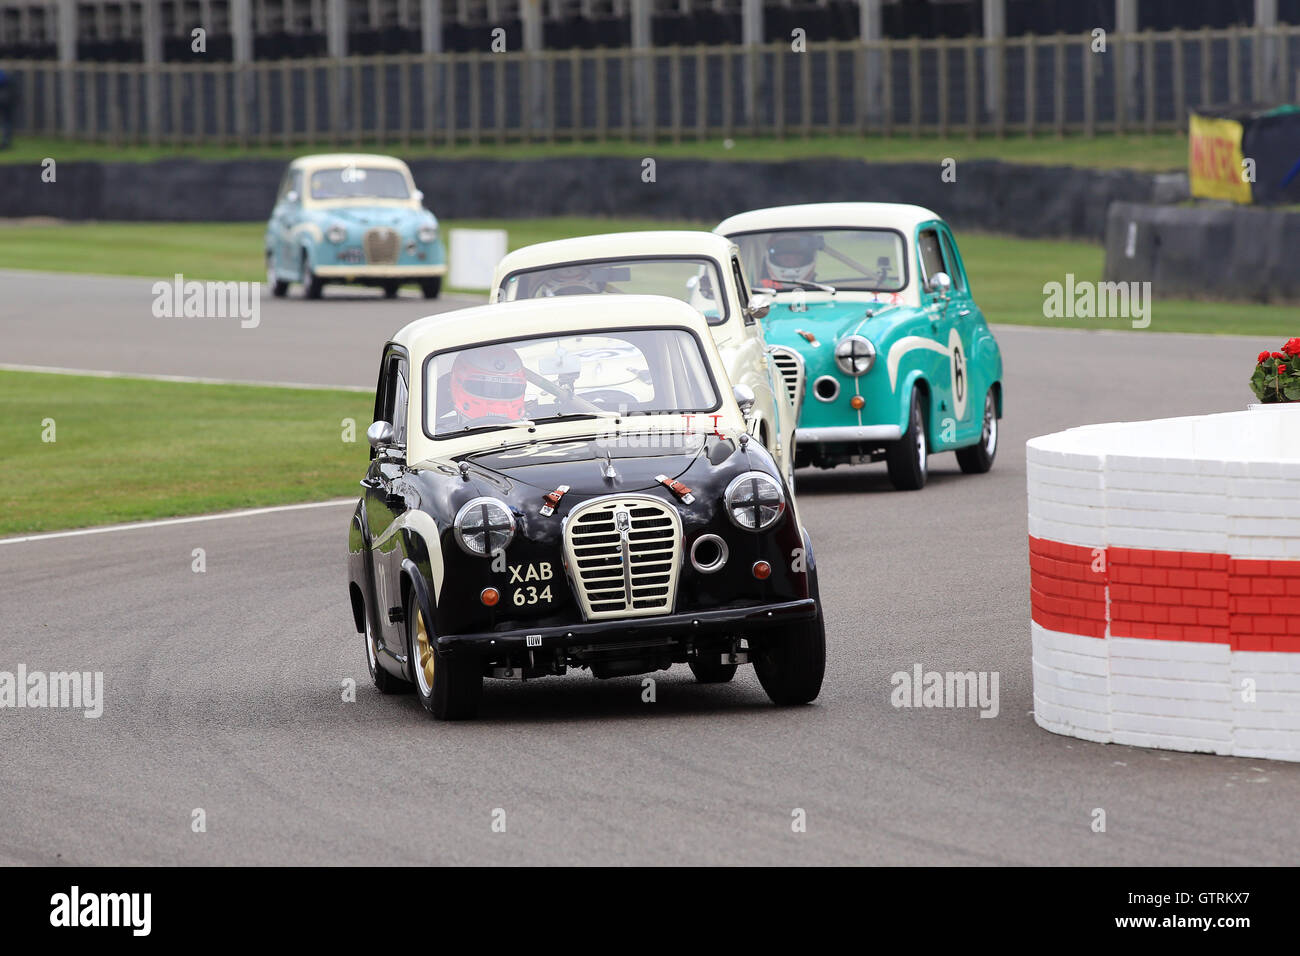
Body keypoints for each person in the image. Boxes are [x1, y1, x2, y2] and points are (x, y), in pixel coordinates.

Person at [449, 345, 527, 423]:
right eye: (481, 387)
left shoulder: (534, 425)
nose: (497, 399)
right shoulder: (441, 432)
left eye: (507, 389)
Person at [0, 69, 14, 150]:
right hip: (6, 99)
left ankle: (6, 142)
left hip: (5, 100)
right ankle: (6, 141)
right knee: (6, 121)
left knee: (6, 121)